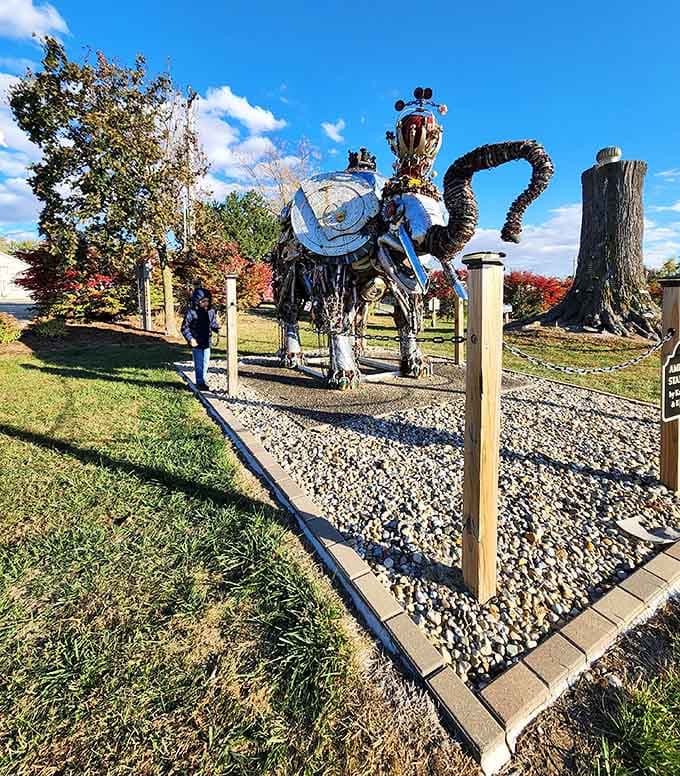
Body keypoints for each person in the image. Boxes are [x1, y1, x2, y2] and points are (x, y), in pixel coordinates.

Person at [181, 287, 220, 390]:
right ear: (197, 301)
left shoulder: (211, 311)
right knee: (199, 364)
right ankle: (200, 382)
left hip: (207, 341)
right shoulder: (191, 312)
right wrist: (190, 339)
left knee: (206, 362)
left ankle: (202, 379)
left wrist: (216, 328)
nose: (206, 303)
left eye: (207, 301)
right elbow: (184, 328)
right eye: (203, 301)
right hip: (196, 342)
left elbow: (212, 323)